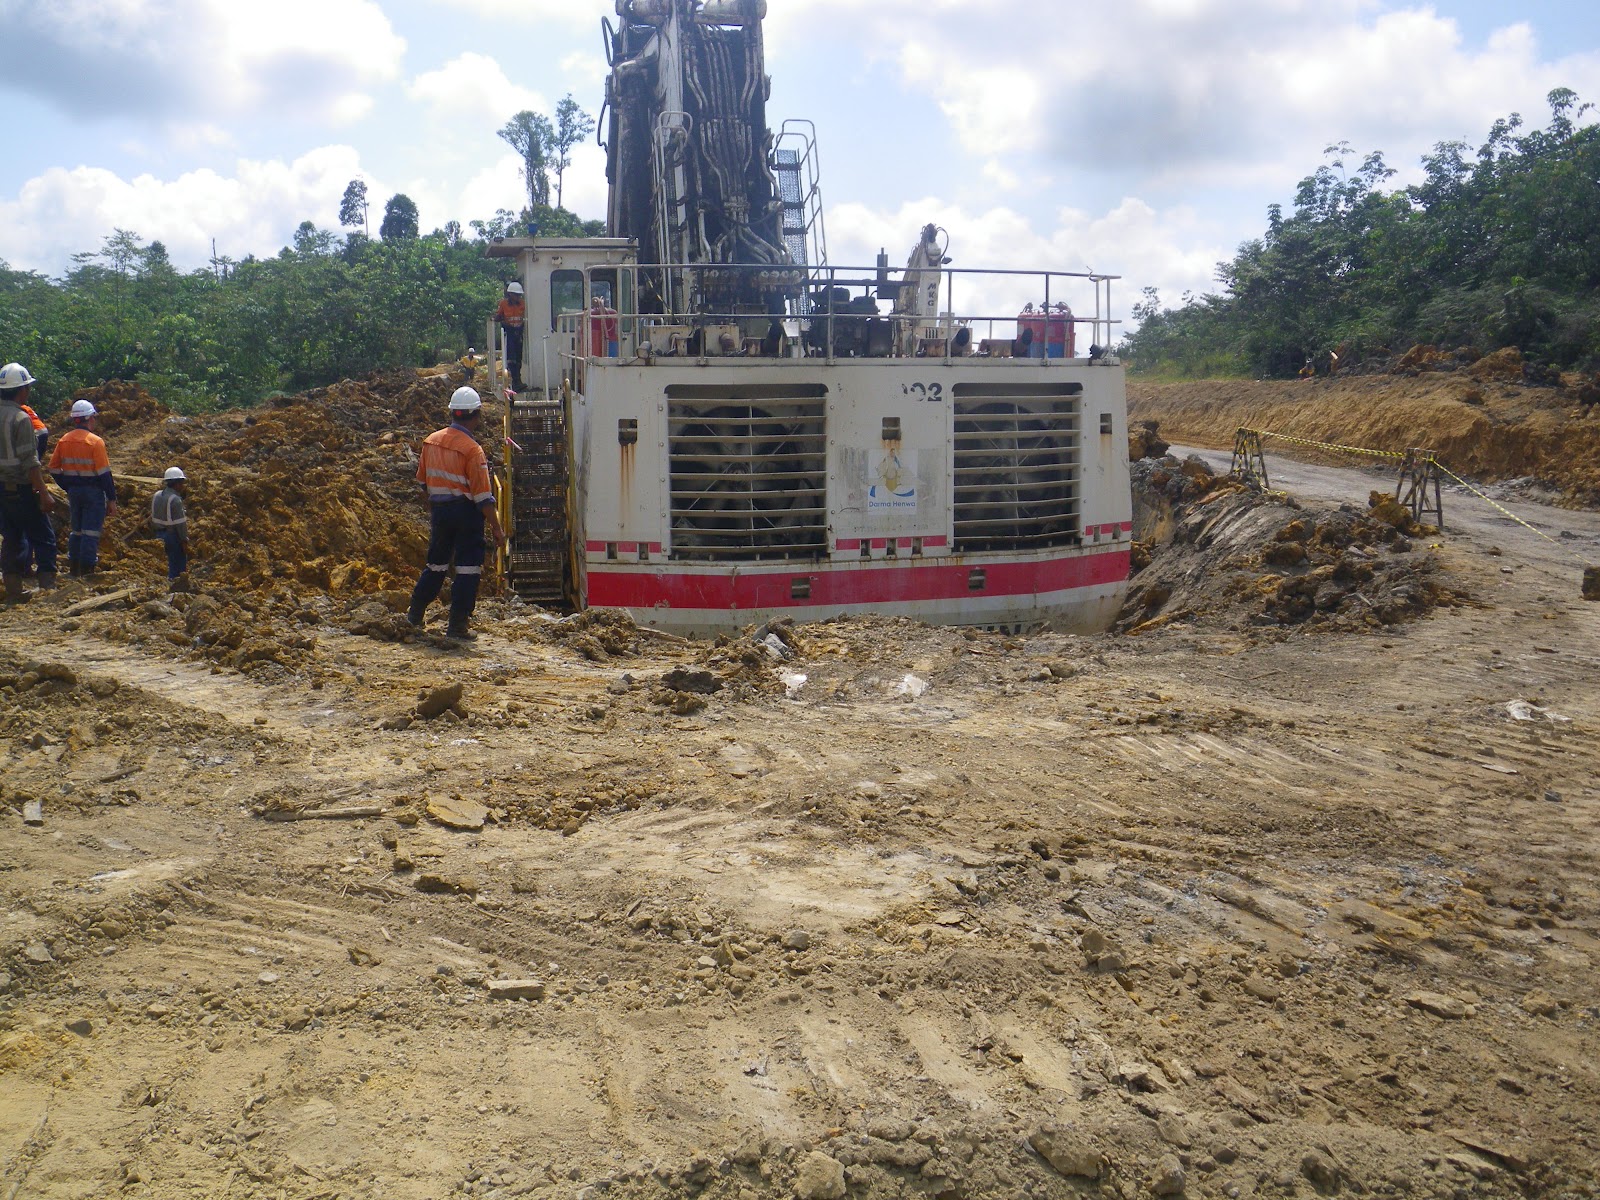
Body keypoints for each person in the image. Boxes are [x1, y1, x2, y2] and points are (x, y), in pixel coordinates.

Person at [406, 386, 507, 641]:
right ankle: (457, 625)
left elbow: (422, 483)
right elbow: (484, 497)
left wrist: (436, 507)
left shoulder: (431, 441)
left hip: (440, 512)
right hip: (466, 514)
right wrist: (497, 528)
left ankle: (415, 614)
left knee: (436, 564)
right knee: (468, 569)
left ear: (453, 412)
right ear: (476, 416)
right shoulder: (473, 450)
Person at [0, 362, 58, 601]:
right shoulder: (21, 418)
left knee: (11, 538)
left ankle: (13, 590)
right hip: (20, 489)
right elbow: (29, 461)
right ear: (21, 390)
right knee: (44, 537)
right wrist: (43, 492)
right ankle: (47, 591)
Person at [48, 398, 118, 577]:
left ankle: (74, 565)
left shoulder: (64, 440)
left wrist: (68, 486)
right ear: (89, 418)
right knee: (91, 531)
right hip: (93, 492)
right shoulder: (95, 442)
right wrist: (111, 498)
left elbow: (53, 468)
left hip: (74, 492)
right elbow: (104, 474)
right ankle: (87, 569)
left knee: (76, 530)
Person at [150, 467, 191, 587]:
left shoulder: (157, 495)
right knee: (178, 565)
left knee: (166, 562)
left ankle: (167, 584)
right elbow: (181, 525)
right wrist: (184, 540)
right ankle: (176, 588)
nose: (183, 486)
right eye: (181, 483)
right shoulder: (175, 500)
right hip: (172, 536)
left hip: (159, 534)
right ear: (177, 484)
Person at [495, 281, 526, 392]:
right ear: (511, 294)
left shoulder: (522, 304)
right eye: (516, 295)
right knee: (511, 357)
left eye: (519, 295)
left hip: (519, 332)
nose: (518, 297)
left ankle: (518, 380)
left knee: (518, 357)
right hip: (510, 332)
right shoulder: (503, 304)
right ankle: (515, 380)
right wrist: (498, 319)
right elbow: (499, 316)